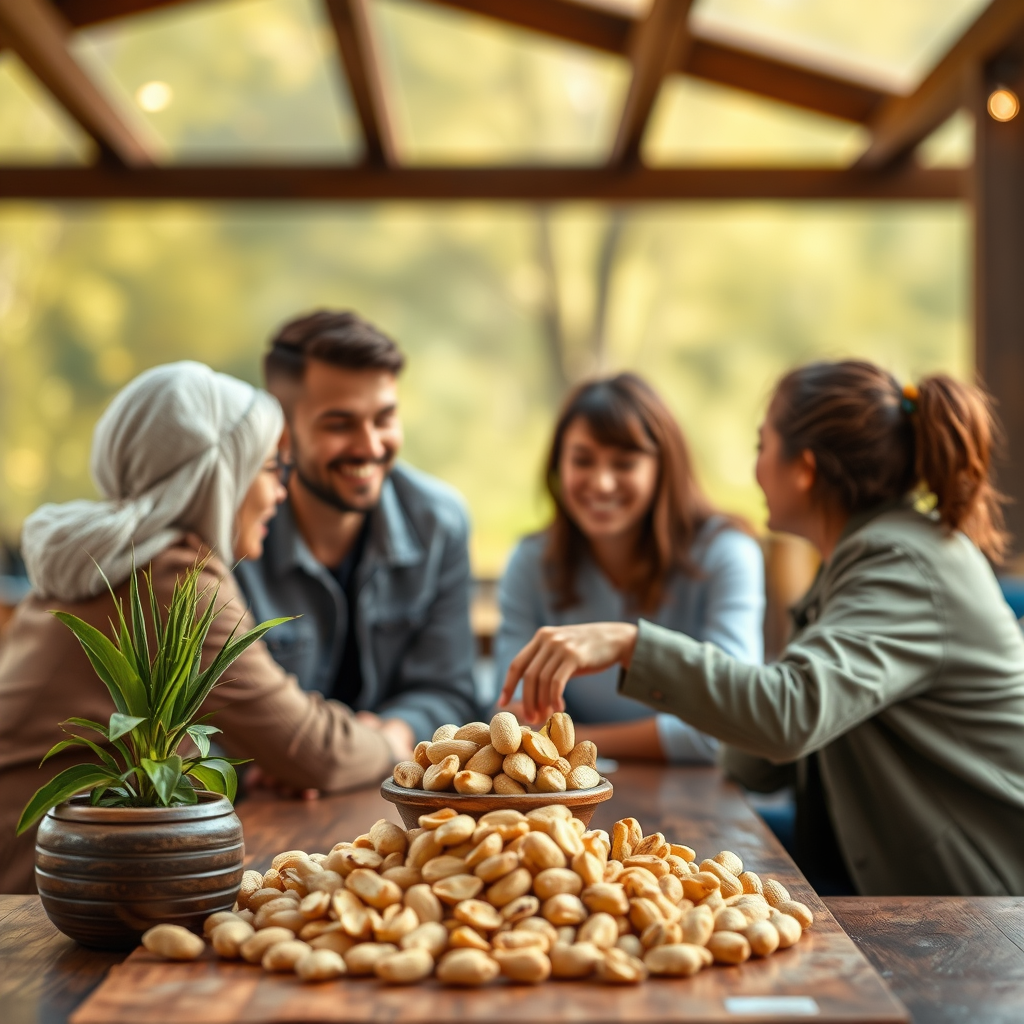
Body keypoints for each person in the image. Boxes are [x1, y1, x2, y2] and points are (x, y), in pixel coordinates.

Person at [500, 360, 1024, 897]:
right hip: (875, 856)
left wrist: (630, 643)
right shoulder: (864, 556)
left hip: (973, 897)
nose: (755, 470)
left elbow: (788, 716)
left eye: (761, 447)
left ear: (804, 468)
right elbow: (767, 756)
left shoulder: (900, 564)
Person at [0, 362, 401, 894]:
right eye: (268, 469)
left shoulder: (112, 556)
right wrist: (392, 740)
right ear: (218, 476)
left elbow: (281, 743)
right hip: (38, 889)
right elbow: (312, 748)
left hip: (70, 853)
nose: (280, 492)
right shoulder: (170, 574)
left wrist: (263, 758)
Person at [235, 311, 478, 759]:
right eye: (340, 424)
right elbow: (214, 717)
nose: (370, 446)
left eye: (384, 418)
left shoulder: (440, 523)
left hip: (393, 789)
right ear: (282, 431)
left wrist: (395, 733)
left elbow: (449, 690)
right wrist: (269, 765)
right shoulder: (233, 534)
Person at [494, 373, 763, 762]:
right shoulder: (531, 562)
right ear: (557, 466)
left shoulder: (726, 554)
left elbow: (729, 729)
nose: (602, 483)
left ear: (662, 468)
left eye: (624, 463)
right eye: (582, 460)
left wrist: (577, 743)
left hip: (702, 800)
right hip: (568, 798)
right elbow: (512, 722)